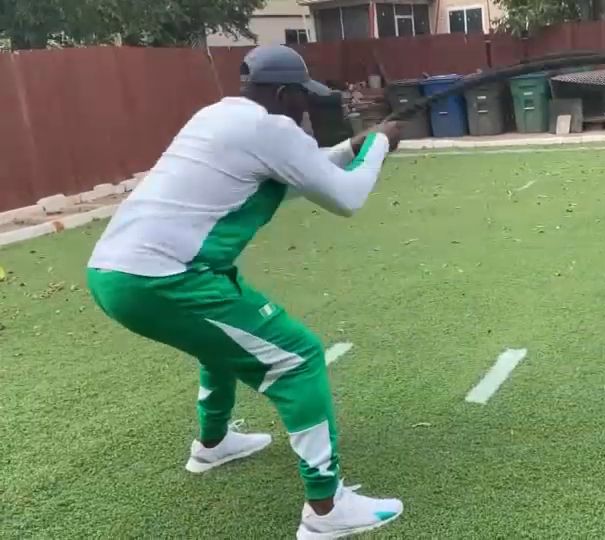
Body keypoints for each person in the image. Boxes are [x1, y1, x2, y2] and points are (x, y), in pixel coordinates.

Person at [86, 44, 405, 539]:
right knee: (298, 358)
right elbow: (346, 197)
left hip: (115, 273)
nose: (306, 107)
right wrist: (381, 144)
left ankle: (213, 445)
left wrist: (353, 148)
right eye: (302, 97)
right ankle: (326, 512)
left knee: (219, 344)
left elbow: (296, 175)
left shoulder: (221, 117)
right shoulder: (270, 128)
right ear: (283, 93)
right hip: (164, 279)